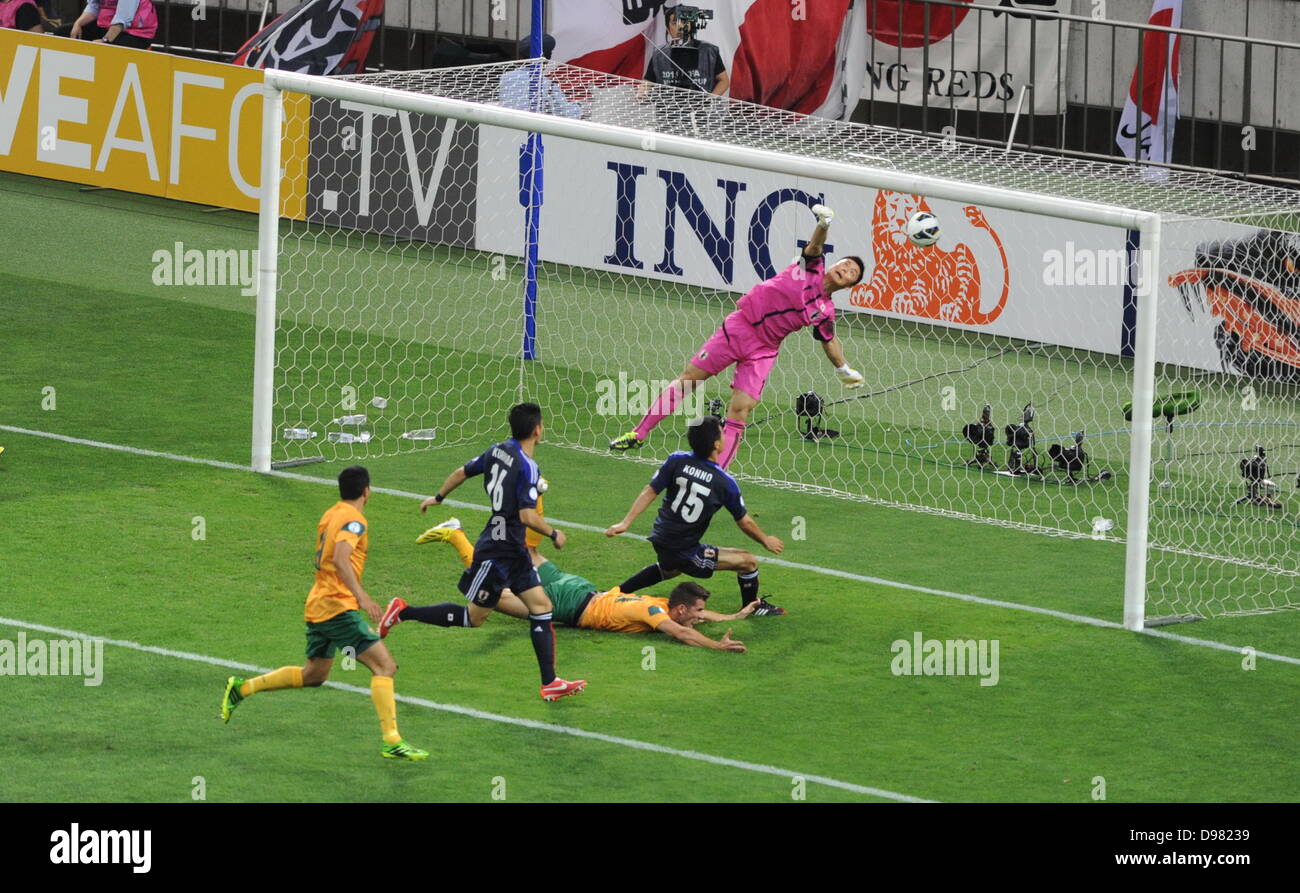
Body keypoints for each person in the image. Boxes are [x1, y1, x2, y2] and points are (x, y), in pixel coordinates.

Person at [609, 204, 865, 468]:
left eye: (851, 273)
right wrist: (823, 225)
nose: (845, 270)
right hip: (739, 328)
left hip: (764, 350)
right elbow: (814, 246)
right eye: (844, 264)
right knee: (689, 380)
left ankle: (716, 474)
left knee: (740, 410)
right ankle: (639, 434)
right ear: (833, 263)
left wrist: (843, 369)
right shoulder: (810, 265)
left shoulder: (826, 311)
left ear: (848, 285)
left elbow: (829, 341)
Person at [378, 402, 588, 702]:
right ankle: (403, 612)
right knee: (474, 619)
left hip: (513, 548)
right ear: (537, 429)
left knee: (541, 607)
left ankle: (550, 682)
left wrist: (438, 497)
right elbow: (528, 516)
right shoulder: (528, 467)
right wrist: (554, 533)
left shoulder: (498, 450)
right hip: (498, 550)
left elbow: (461, 471)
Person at [219, 466, 428, 762]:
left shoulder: (331, 513)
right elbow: (341, 558)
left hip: (318, 603)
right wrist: (362, 596)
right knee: (385, 667)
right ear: (367, 491)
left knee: (314, 675)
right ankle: (391, 741)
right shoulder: (355, 520)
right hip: (337, 607)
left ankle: (243, 688)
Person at [407, 510, 756, 651]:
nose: (698, 617)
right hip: (570, 605)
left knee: (531, 557)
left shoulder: (665, 604)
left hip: (581, 587)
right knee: (492, 597)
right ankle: (459, 538)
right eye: (696, 612)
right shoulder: (657, 613)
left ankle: (511, 518)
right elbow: (682, 632)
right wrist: (717, 646)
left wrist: (733, 617)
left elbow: (692, 618)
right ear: (679, 609)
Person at [606, 415, 787, 614]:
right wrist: (765, 540)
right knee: (748, 561)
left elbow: (650, 490)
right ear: (717, 444)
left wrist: (625, 522)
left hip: (661, 536)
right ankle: (751, 607)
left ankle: (612, 595)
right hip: (684, 549)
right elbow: (744, 522)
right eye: (722, 432)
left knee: (670, 568)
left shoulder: (676, 460)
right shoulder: (724, 482)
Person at [644, 2, 728, 96]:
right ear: (667, 28)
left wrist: (710, 100)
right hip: (667, 109)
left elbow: (724, 81)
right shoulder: (659, 54)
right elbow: (647, 83)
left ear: (691, 25)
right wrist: (642, 93)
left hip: (701, 109)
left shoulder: (709, 51)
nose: (680, 27)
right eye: (675, 23)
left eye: (684, 22)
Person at [498, 33, 583, 119]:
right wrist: (578, 107)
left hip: (509, 126)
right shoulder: (548, 84)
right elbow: (568, 113)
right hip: (533, 128)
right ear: (546, 59)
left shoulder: (506, 77)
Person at [60, 0, 156, 48]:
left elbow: (122, 19)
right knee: (63, 33)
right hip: (107, 27)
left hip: (136, 34)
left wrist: (105, 41)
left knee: (105, 49)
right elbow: (94, 6)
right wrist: (78, 23)